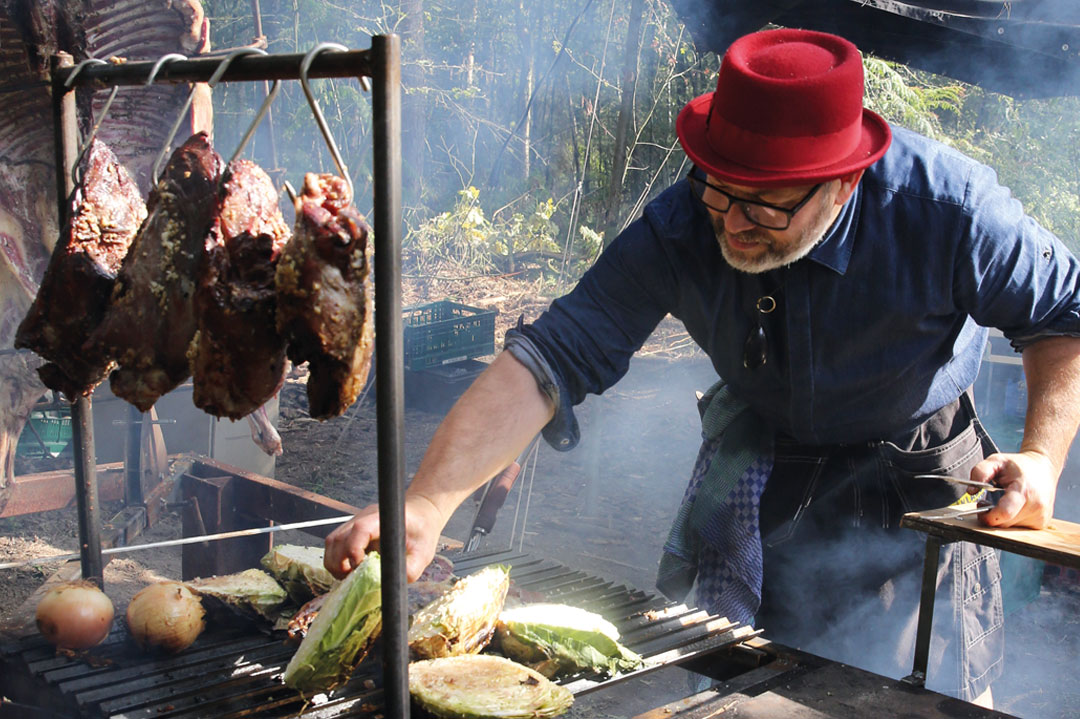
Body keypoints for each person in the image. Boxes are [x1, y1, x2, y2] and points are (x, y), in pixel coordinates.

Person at [325, 28, 1080, 703]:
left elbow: (1062, 315)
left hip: (919, 488)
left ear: (844, 182)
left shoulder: (946, 208)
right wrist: (423, 507)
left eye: (768, 205)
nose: (734, 222)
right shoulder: (684, 220)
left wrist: (1043, 458)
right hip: (771, 474)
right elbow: (551, 356)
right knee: (760, 685)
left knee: (918, 694)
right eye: (721, 188)